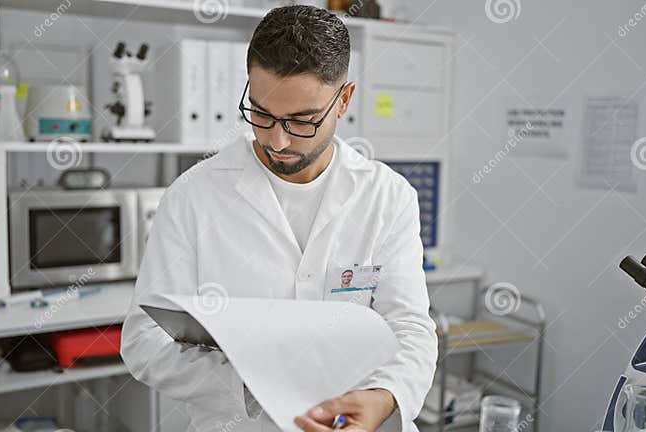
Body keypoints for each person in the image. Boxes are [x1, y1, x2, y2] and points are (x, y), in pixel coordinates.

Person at [120, 5, 437, 432]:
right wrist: (256, 381)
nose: (277, 139)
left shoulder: (388, 197)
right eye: (261, 114)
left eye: (302, 121)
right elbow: (144, 342)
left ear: (343, 100)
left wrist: (385, 397)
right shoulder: (192, 197)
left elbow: (410, 327)